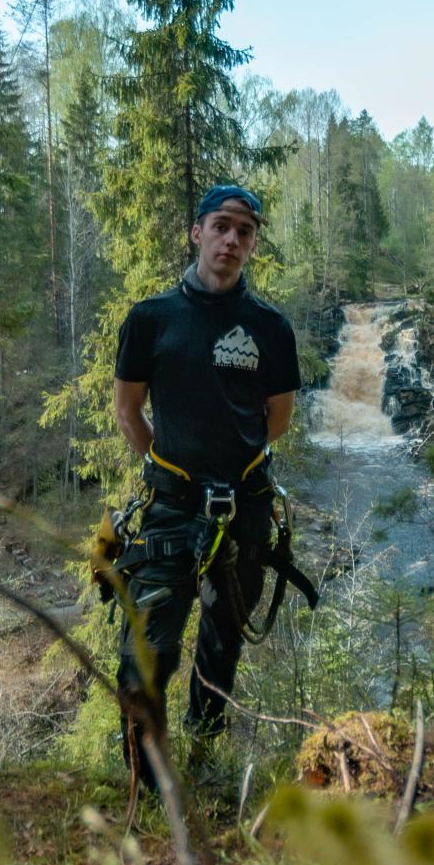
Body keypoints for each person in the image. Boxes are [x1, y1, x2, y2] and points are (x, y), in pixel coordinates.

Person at [108, 183, 300, 790]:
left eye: (245, 231)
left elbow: (277, 419)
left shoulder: (271, 328)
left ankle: (203, 766)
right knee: (146, 654)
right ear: (197, 233)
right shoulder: (150, 319)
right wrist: (171, 470)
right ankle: (143, 788)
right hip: (170, 511)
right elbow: (128, 412)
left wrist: (232, 470)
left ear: (253, 244)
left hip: (246, 510)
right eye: (221, 226)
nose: (232, 240)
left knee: (222, 647)